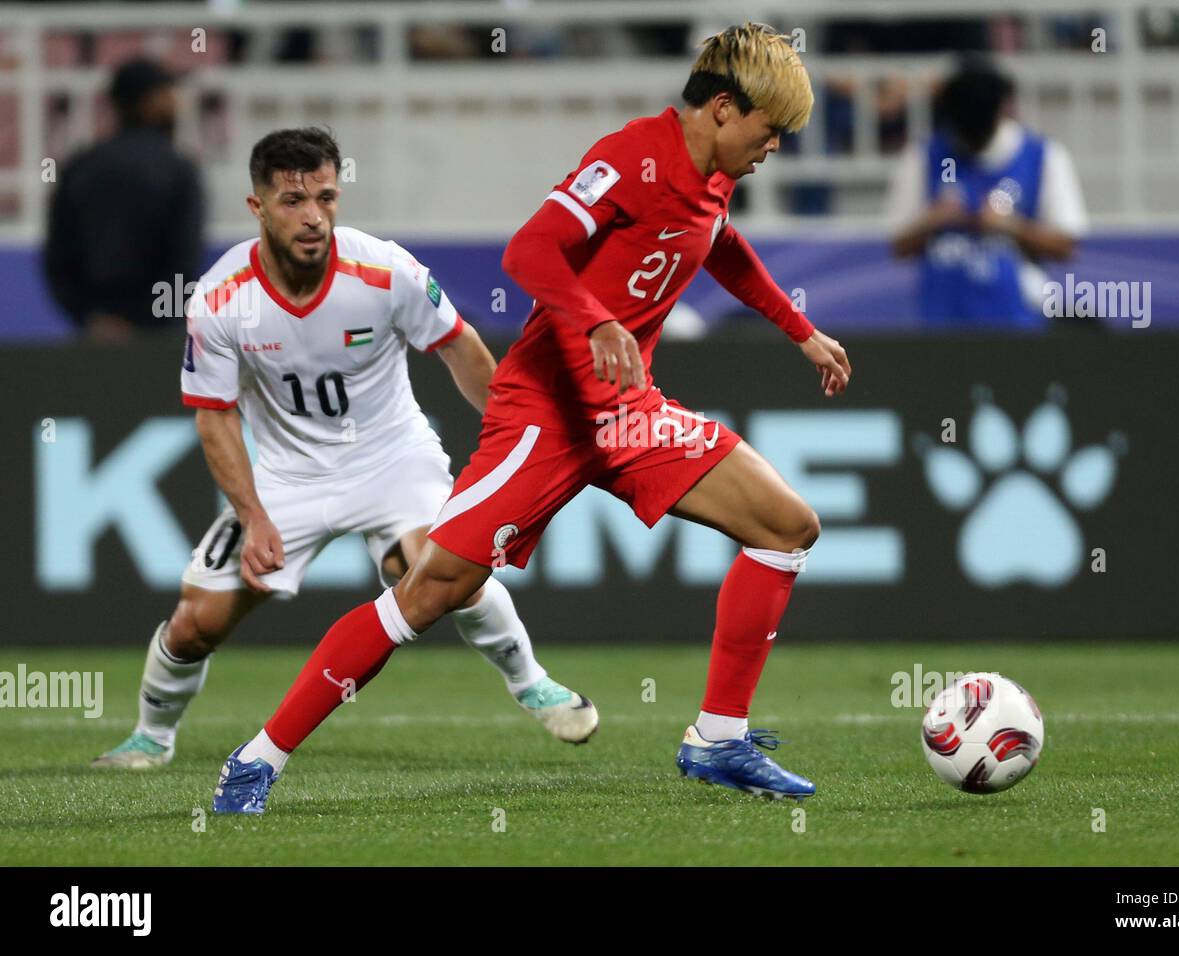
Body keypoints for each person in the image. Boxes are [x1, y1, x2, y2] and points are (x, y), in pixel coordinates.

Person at [211, 23, 851, 815]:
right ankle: (257, 758)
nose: (775, 147)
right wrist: (595, 320)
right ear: (724, 108)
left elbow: (719, 244)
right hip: (547, 415)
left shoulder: (714, 174)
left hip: (627, 412)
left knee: (788, 527)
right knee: (429, 593)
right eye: (772, 130)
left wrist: (800, 329)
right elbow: (531, 251)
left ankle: (718, 740)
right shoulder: (631, 158)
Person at [93, 127, 595, 770]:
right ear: (257, 208)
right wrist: (253, 517)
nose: (313, 217)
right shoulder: (221, 299)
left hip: (391, 457)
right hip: (284, 476)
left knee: (436, 568)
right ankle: (152, 737)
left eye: (326, 198)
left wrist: (518, 445)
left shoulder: (386, 269)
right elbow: (214, 418)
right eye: (293, 201)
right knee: (197, 622)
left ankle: (530, 681)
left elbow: (460, 348)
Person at [886, 59, 1088, 328]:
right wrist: (933, 220)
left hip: (1019, 324)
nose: (970, 142)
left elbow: (1065, 246)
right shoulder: (923, 156)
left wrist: (1011, 226)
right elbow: (898, 245)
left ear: (1002, 111)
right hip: (940, 325)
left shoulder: (1044, 156)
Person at [44, 57, 204, 343]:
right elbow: (185, 258)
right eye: (166, 94)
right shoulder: (178, 169)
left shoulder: (79, 166)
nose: (175, 103)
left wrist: (92, 317)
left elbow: (58, 259)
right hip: (159, 337)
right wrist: (147, 318)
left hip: (95, 333)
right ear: (146, 102)